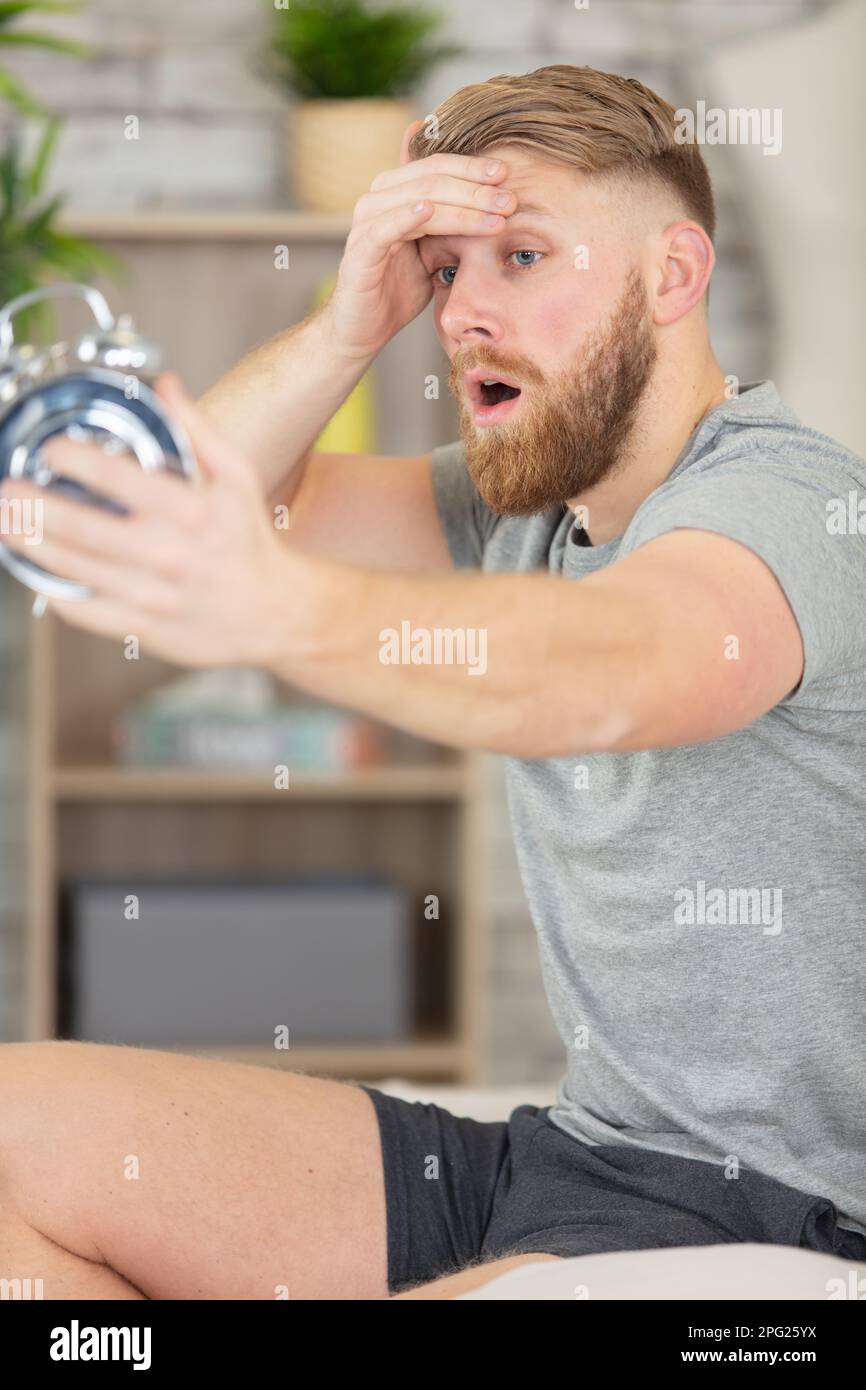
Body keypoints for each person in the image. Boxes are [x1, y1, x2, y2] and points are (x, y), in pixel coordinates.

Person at [1, 65, 864, 1301]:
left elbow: (616, 669)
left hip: (787, 1219)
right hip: (572, 1163)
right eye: (450, 270)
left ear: (673, 275)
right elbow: (206, 495)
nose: (461, 314)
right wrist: (351, 321)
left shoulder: (787, 504)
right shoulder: (519, 505)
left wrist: (273, 607)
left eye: (522, 255)